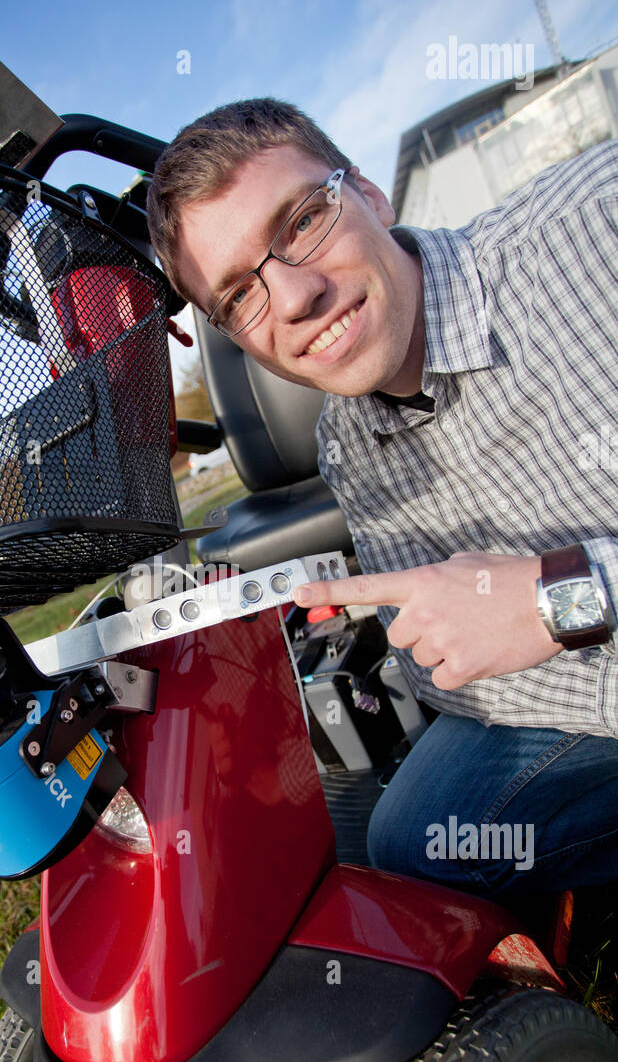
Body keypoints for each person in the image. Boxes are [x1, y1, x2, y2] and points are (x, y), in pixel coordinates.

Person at [146, 97, 618, 900]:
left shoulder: (592, 231)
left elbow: (535, 622)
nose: (294, 298)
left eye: (299, 223)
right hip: (588, 703)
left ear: (368, 193)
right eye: (240, 297)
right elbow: (449, 683)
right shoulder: (349, 450)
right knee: (414, 841)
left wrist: (557, 600)